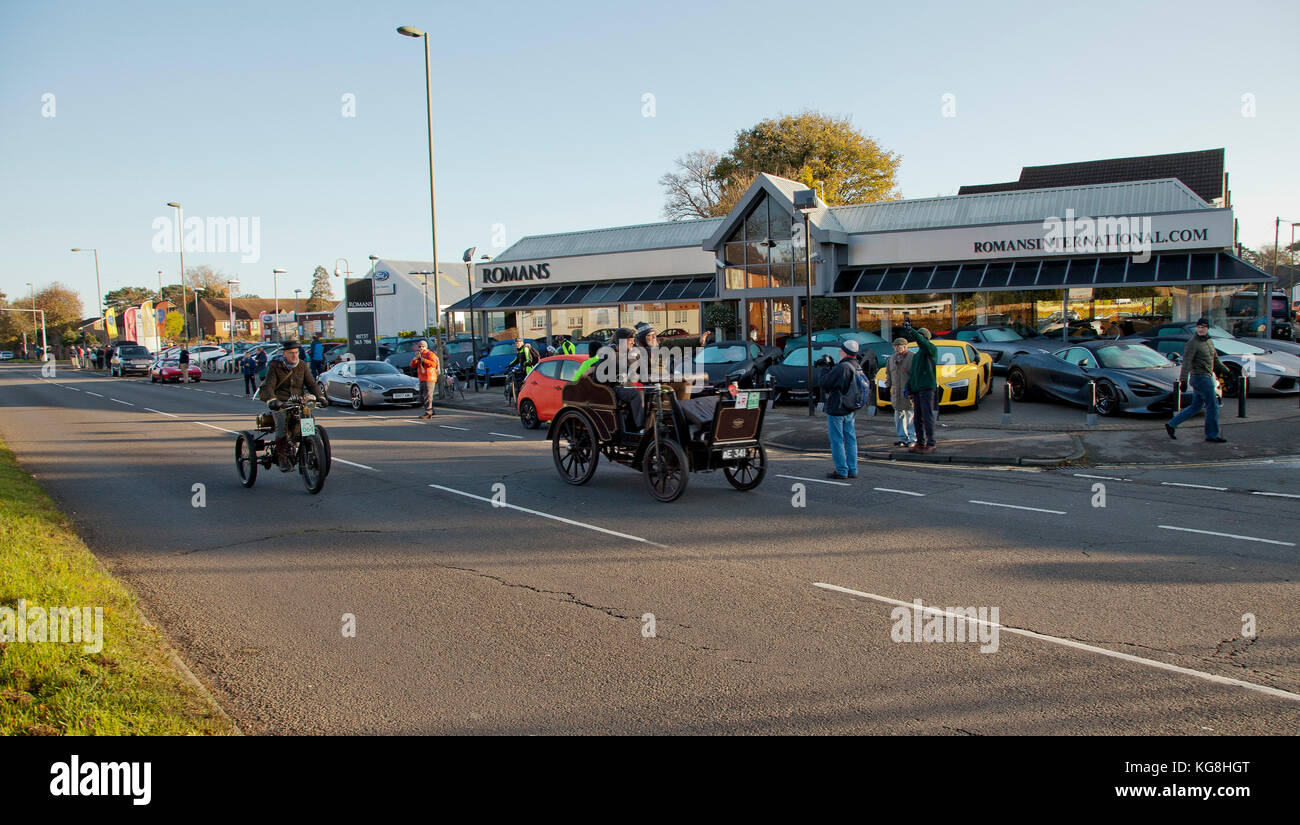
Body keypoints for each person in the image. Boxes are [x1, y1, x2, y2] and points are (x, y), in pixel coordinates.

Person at [256, 340, 323, 471]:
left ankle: (309, 447)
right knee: (281, 426)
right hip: (280, 403)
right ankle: (282, 457)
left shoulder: (302, 365)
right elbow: (269, 385)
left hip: (299, 402)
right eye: (291, 353)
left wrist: (320, 396)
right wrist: (272, 400)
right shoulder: (276, 366)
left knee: (308, 423)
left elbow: (311, 384)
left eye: (296, 353)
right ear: (284, 354)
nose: (294, 356)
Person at [1166, 318, 1229, 443]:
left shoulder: (1209, 341)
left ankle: (1172, 424)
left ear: (1207, 329)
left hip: (1208, 376)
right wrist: (1183, 380)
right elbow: (1187, 362)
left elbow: (1214, 358)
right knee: (1213, 406)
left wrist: (1227, 371)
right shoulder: (1192, 343)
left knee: (1196, 406)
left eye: (1203, 327)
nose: (1200, 329)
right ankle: (1212, 435)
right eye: (1199, 327)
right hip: (1200, 377)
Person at [817, 339, 862, 479]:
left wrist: (825, 367)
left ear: (844, 351)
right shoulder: (856, 366)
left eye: (841, 350)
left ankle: (842, 470)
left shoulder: (842, 367)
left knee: (837, 440)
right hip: (850, 407)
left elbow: (825, 383)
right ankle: (853, 469)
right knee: (850, 439)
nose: (839, 352)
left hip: (837, 407)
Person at [902, 325, 939, 454]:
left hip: (927, 388)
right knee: (917, 417)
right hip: (918, 389)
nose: (917, 339)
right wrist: (909, 387)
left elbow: (922, 342)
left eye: (920, 336)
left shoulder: (930, 349)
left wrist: (912, 331)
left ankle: (931, 443)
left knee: (927, 416)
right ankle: (920, 442)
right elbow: (914, 373)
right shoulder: (918, 355)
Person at [884, 337, 916, 448]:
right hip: (896, 393)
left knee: (910, 415)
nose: (896, 349)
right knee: (898, 415)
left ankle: (912, 438)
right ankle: (902, 438)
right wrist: (887, 385)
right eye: (895, 347)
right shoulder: (891, 359)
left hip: (909, 392)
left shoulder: (912, 358)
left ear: (905, 346)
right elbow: (888, 374)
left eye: (899, 346)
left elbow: (915, 376)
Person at [410, 339, 440, 419]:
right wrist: (415, 359)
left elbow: (433, 364)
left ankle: (428, 412)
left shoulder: (430, 354)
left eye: (421, 346)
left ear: (425, 347)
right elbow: (413, 366)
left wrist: (423, 360)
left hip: (429, 377)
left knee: (427, 396)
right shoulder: (420, 355)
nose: (420, 348)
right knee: (422, 397)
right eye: (419, 346)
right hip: (422, 378)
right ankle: (431, 410)